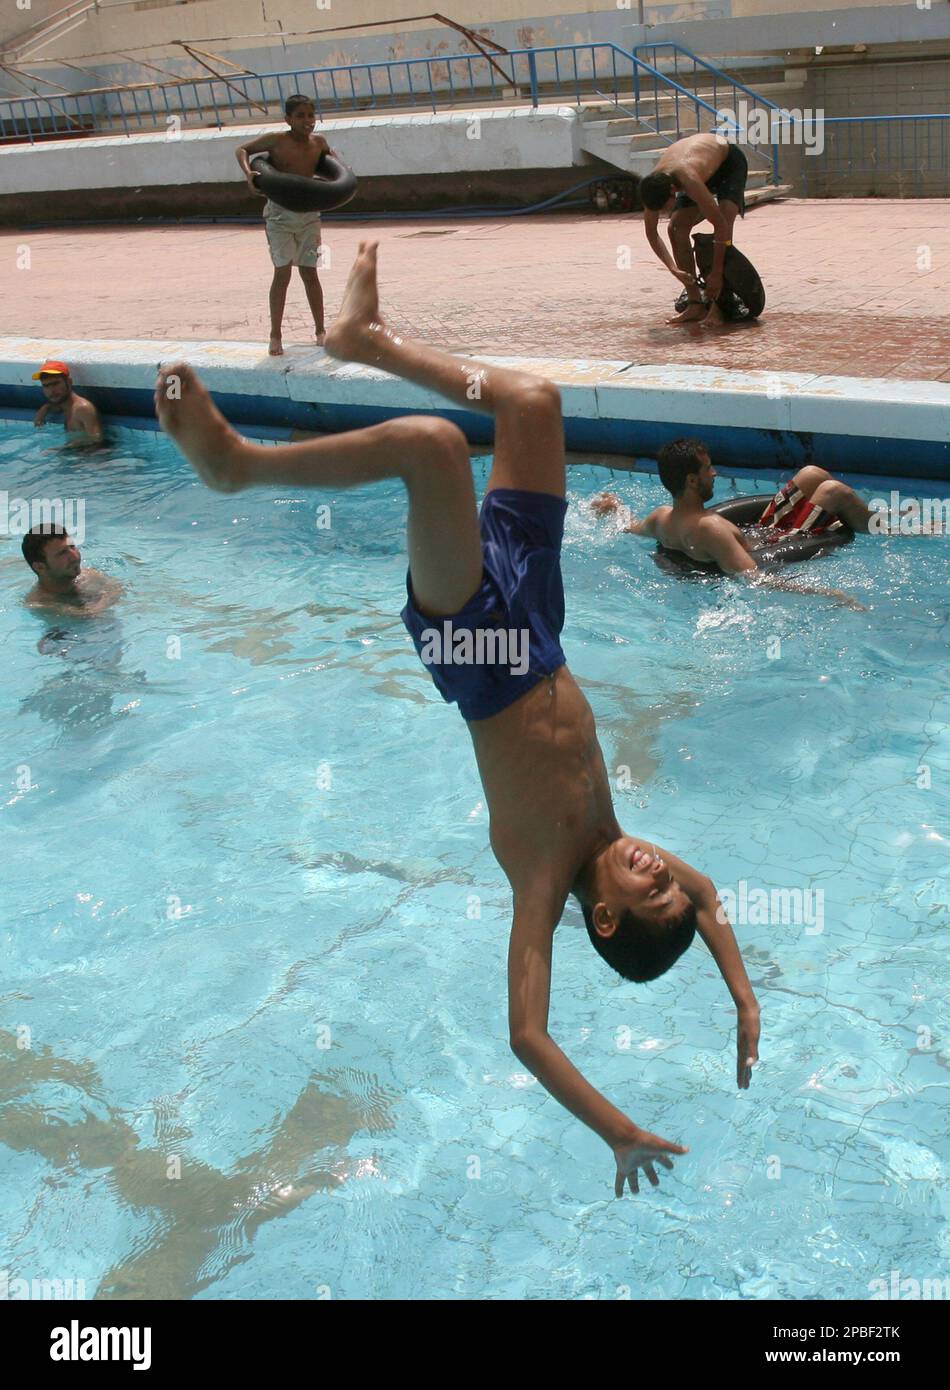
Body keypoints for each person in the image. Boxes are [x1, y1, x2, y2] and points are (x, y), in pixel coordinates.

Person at [155, 242, 761, 1198]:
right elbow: (715, 896)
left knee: (433, 448)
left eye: (651, 893)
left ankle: (237, 466)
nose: (662, 870)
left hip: (478, 650)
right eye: (667, 883)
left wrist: (617, 1131)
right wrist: (740, 994)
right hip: (540, 619)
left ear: (601, 915)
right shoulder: (616, 843)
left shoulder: (541, 875)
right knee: (533, 403)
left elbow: (527, 1035)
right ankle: (364, 338)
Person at [592, 439, 875, 603]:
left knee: (811, 474)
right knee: (833, 491)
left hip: (762, 532)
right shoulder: (710, 529)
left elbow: (631, 526)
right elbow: (754, 578)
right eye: (708, 469)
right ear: (692, 480)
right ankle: (891, 526)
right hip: (777, 541)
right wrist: (827, 594)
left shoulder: (662, 518)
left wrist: (615, 507)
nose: (714, 474)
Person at [235, 95, 337, 354]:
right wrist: (249, 175)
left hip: (308, 215)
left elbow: (336, 168)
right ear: (288, 119)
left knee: (310, 273)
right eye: (300, 116)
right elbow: (242, 150)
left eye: (311, 115)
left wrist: (337, 181)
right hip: (280, 215)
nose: (307, 121)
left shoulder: (319, 143)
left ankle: (320, 331)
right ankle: (275, 335)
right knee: (282, 273)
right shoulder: (276, 141)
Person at [638, 133, 749, 325]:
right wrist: (673, 269)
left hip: (728, 161)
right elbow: (651, 233)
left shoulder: (688, 179)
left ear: (673, 190)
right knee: (675, 228)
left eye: (665, 207)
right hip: (700, 167)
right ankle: (695, 303)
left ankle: (719, 305)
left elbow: (720, 225)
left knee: (725, 220)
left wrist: (715, 272)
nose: (663, 212)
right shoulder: (652, 188)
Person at [22, 524, 122, 616]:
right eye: (62, 553)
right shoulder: (41, 605)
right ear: (40, 567)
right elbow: (85, 617)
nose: (74, 556)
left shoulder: (88, 575)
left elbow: (117, 588)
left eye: (72, 547)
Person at [32, 360, 104, 445]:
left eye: (56, 383)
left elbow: (97, 443)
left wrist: (64, 450)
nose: (51, 391)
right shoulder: (65, 406)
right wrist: (44, 409)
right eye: (46, 386)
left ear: (69, 382)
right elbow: (55, 406)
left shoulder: (83, 409)